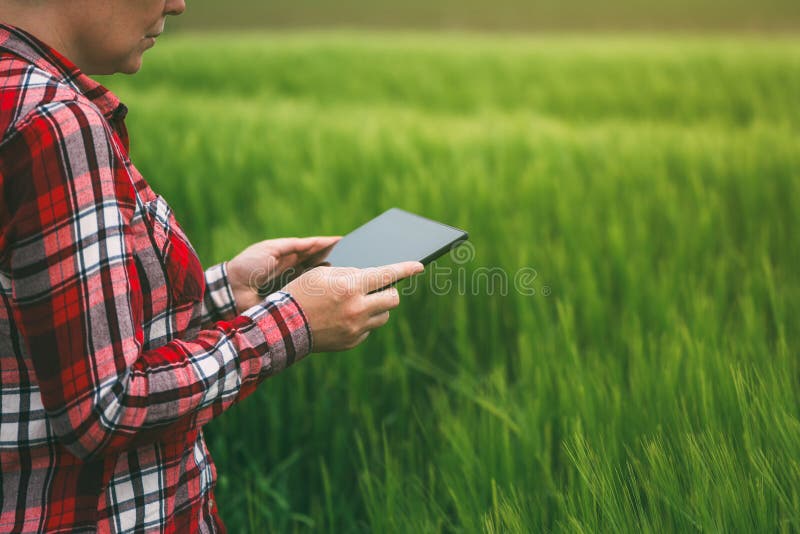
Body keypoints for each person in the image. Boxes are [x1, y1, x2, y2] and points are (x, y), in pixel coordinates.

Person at [0, 0, 423, 531]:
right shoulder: (54, 122)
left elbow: (33, 344)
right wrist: (290, 324)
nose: (178, 3)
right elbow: (105, 409)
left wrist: (223, 292)